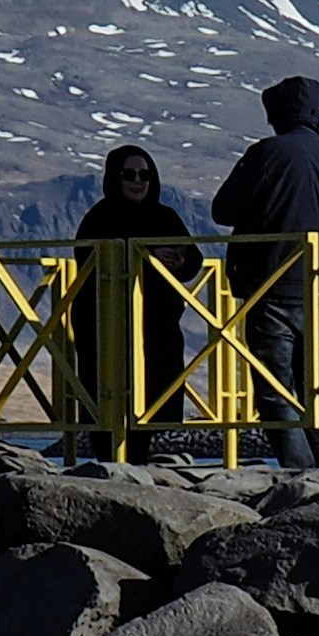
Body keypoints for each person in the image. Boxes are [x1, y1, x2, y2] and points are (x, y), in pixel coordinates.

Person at [210, 75, 319, 468]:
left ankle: (301, 473)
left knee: (275, 391)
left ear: (275, 113)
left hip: (268, 288)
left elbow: (222, 211)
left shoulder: (265, 154)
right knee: (318, 391)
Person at [64, 143, 197, 459]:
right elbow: (90, 259)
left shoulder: (165, 217)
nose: (138, 182)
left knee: (151, 398)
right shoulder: (99, 218)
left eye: (145, 175)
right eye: (129, 175)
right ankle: (110, 462)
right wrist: (147, 257)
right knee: (107, 399)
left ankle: (137, 458)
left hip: (155, 329)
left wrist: (179, 261)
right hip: (107, 328)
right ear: (115, 178)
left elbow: (193, 259)